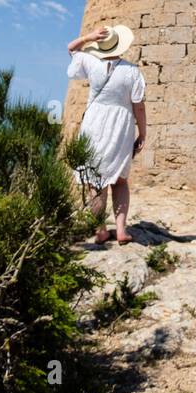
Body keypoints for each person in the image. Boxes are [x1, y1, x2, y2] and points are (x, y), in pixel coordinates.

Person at [67, 24, 147, 245]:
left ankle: (100, 230)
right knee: (120, 180)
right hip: (120, 124)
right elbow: (138, 106)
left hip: (94, 122)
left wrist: (88, 37)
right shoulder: (132, 71)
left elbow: (71, 49)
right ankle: (121, 231)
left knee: (95, 180)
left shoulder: (91, 63)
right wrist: (143, 132)